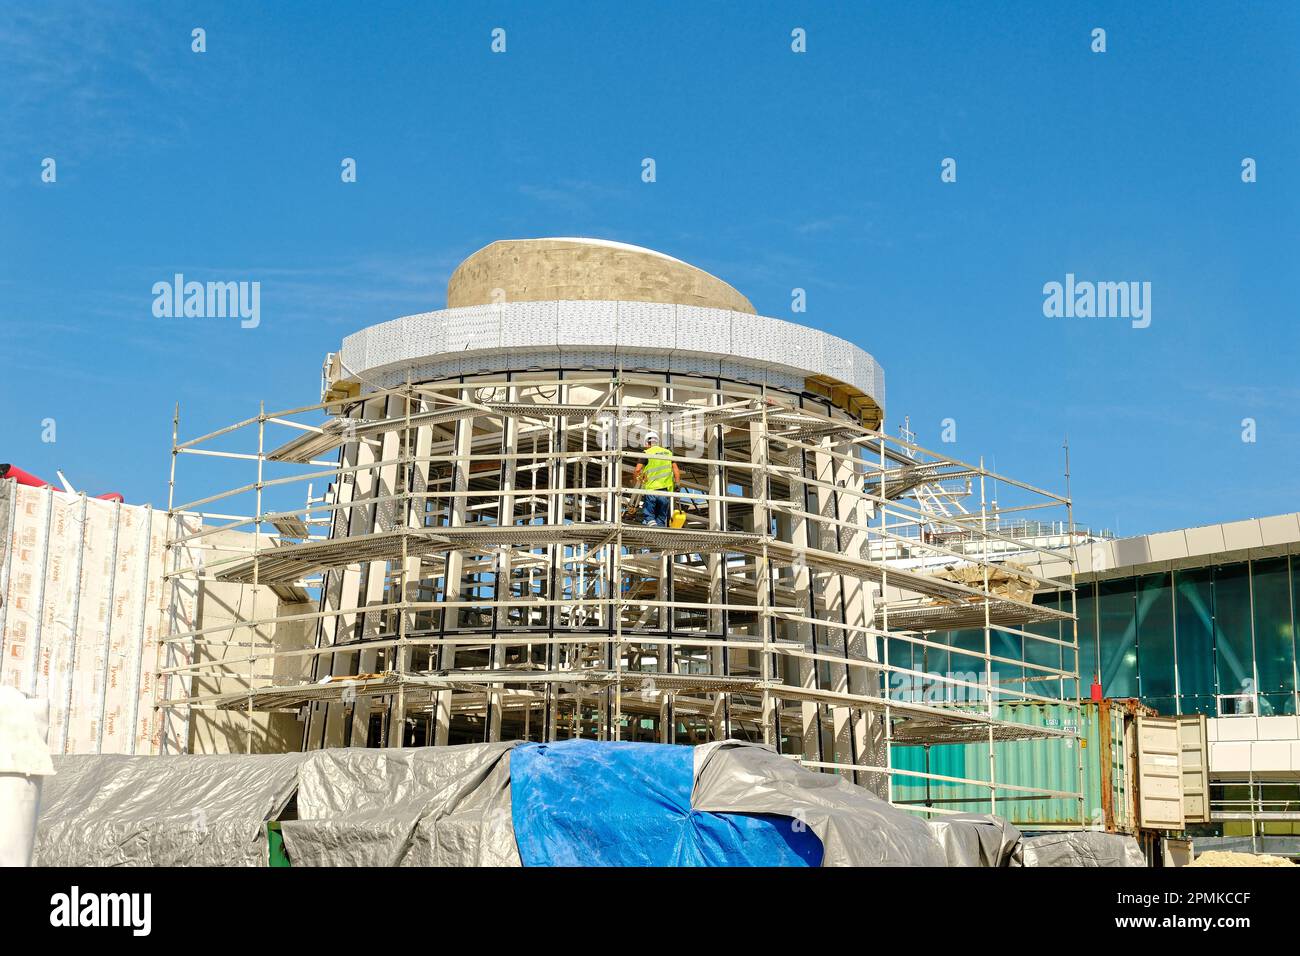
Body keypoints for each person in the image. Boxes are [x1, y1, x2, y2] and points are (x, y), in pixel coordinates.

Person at [632, 431, 680, 528]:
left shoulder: (647, 453)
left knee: (649, 514)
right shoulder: (668, 453)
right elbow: (676, 470)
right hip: (665, 490)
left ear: (646, 443)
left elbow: (637, 470)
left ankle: (651, 524)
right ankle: (660, 532)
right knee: (661, 516)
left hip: (652, 489)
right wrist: (677, 484)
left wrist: (638, 481)